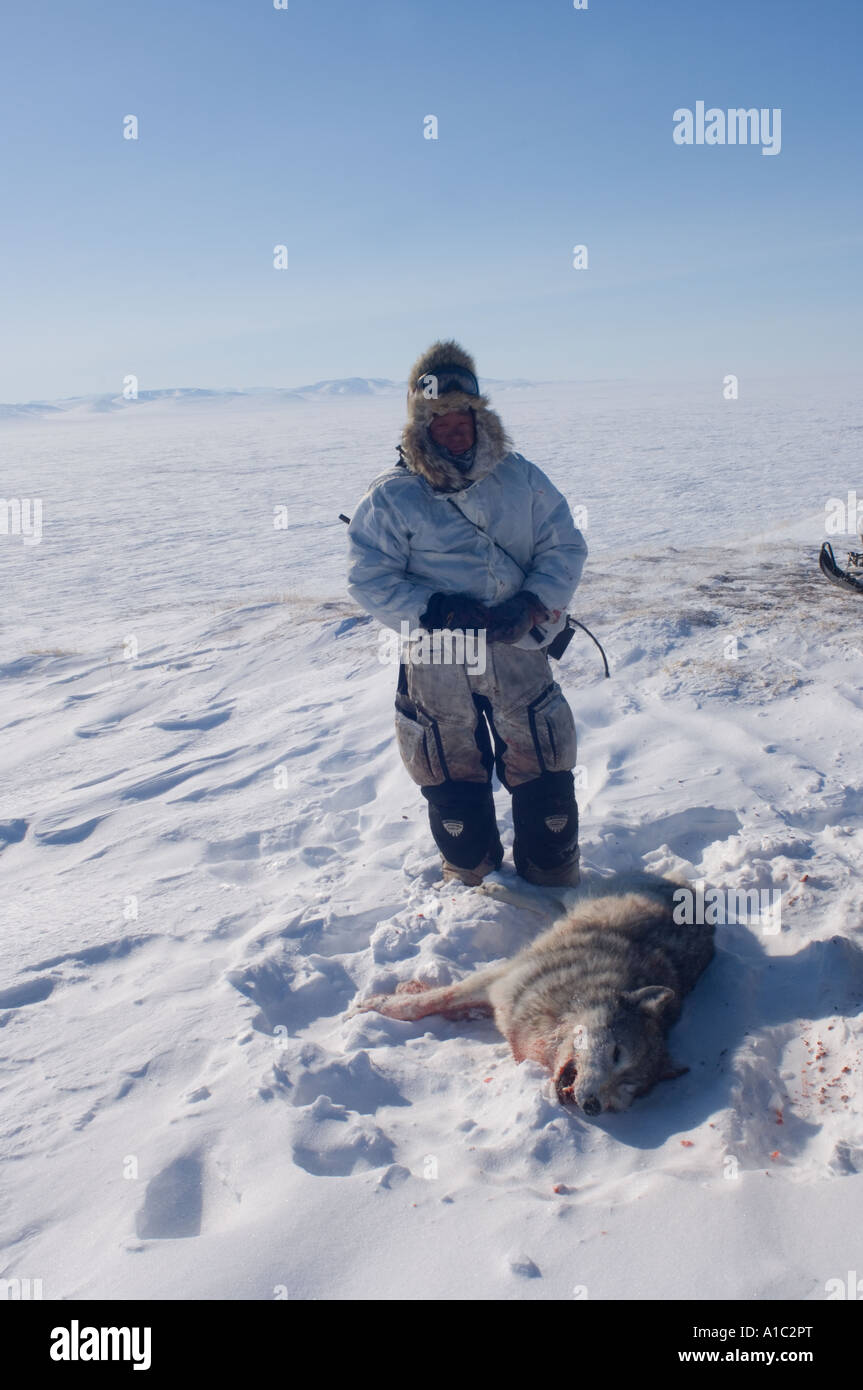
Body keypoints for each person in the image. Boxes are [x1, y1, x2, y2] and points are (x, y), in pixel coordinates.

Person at [346, 340, 588, 887]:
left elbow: (564, 548)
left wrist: (529, 606)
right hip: (435, 652)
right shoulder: (390, 498)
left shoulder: (521, 478)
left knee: (543, 753)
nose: (455, 427)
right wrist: (433, 609)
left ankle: (552, 870)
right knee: (446, 762)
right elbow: (368, 577)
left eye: (464, 415)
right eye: (441, 418)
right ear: (420, 425)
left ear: (479, 415)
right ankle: (470, 874)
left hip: (516, 644)